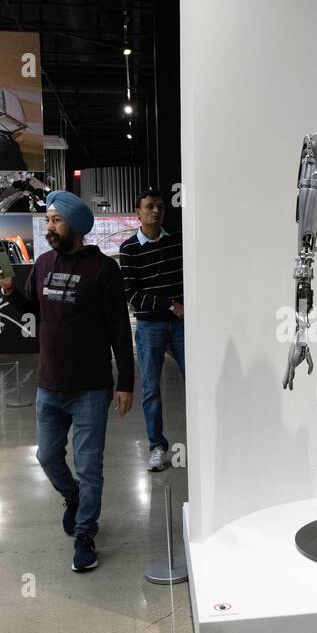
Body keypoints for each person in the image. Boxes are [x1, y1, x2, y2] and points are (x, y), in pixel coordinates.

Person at [0, 190, 134, 572]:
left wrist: (126, 383)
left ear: (75, 224)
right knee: (47, 456)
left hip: (92, 387)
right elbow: (31, 308)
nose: (50, 226)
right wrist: (9, 290)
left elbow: (120, 329)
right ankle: (73, 499)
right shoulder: (42, 263)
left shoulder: (103, 269)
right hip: (49, 386)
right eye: (48, 219)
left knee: (90, 467)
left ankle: (86, 533)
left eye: (56, 220)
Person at [118, 189, 185, 471]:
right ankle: (157, 447)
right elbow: (133, 295)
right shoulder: (129, 248)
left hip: (182, 326)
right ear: (138, 213)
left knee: (196, 383)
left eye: (159, 207)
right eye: (148, 207)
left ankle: (205, 439)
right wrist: (169, 304)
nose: (155, 211)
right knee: (150, 391)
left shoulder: (179, 242)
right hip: (150, 327)